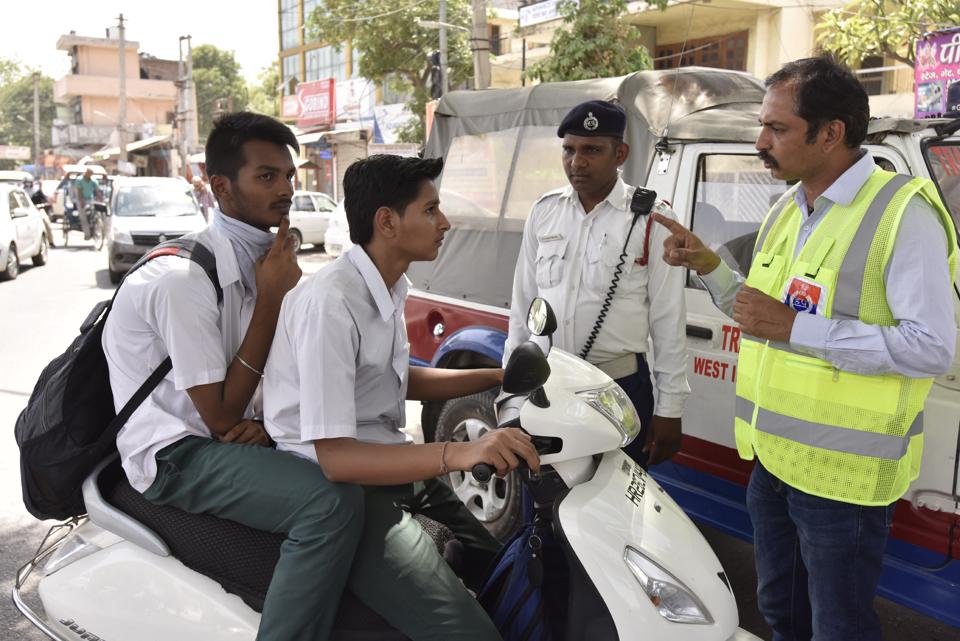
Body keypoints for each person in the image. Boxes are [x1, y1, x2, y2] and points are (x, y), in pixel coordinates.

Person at [653, 56, 957, 641]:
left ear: (831, 133)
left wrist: (797, 329)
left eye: (777, 128)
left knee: (839, 628)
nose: (760, 142)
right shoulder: (786, 211)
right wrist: (711, 267)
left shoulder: (902, 214)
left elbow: (929, 349)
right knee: (781, 614)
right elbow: (760, 313)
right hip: (773, 462)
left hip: (842, 483)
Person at [102, 112, 365, 641]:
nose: (287, 189)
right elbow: (220, 415)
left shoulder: (268, 259)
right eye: (266, 177)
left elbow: (279, 380)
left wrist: (266, 425)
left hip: (232, 437)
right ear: (221, 187)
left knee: (367, 460)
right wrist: (274, 298)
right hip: (174, 454)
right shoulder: (182, 280)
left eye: (290, 175)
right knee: (330, 502)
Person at [263, 154, 540, 640]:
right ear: (387, 222)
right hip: (347, 488)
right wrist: (460, 452)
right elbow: (336, 459)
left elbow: (395, 380)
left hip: (393, 462)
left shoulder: (391, 286)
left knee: (507, 566)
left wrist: (499, 375)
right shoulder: (331, 302)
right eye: (431, 210)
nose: (445, 222)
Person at [504, 99, 690, 468]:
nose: (577, 162)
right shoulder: (544, 211)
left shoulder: (652, 218)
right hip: (547, 386)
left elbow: (668, 320)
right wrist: (512, 392)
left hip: (618, 388)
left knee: (618, 504)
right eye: (569, 150)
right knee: (545, 499)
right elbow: (523, 308)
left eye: (592, 150)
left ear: (620, 153)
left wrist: (670, 409)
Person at [72, 168, 99, 240]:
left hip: (90, 199)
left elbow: (97, 190)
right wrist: (81, 201)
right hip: (81, 199)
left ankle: (96, 227)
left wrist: (99, 198)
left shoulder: (93, 181)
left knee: (96, 211)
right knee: (83, 217)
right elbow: (79, 191)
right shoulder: (79, 180)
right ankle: (87, 234)